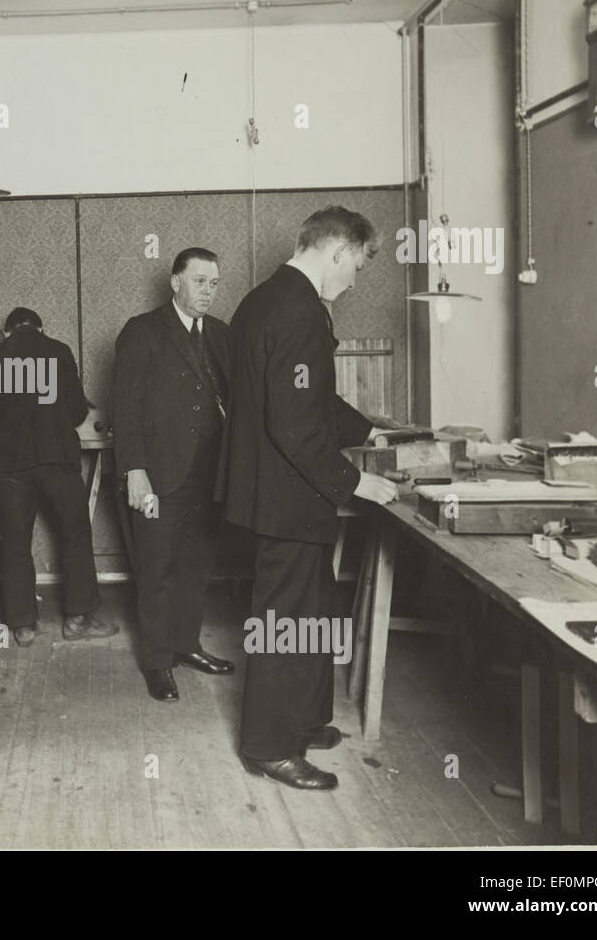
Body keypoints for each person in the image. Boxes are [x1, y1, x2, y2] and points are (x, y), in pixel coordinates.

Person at [222, 206, 398, 792]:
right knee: (282, 622)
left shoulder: (262, 300)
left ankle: (302, 719)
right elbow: (294, 425)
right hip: (287, 498)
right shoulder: (299, 311)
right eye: (357, 268)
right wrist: (356, 482)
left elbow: (311, 401)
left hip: (275, 493)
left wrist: (369, 431)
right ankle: (269, 746)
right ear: (339, 251)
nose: (353, 283)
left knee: (312, 613)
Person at [111, 247, 235, 702]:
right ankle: (159, 662)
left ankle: (186, 646)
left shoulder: (221, 335)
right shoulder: (142, 331)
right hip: (158, 476)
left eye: (215, 283)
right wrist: (135, 473)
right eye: (200, 281)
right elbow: (125, 409)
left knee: (196, 569)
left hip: (209, 478)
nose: (209, 291)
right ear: (175, 282)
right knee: (157, 570)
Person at [0, 307, 119, 647]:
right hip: (55, 458)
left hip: (10, 464)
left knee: (13, 542)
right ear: (40, 327)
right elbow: (76, 412)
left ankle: (23, 626)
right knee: (74, 533)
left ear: (9, 331)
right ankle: (77, 620)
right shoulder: (58, 351)